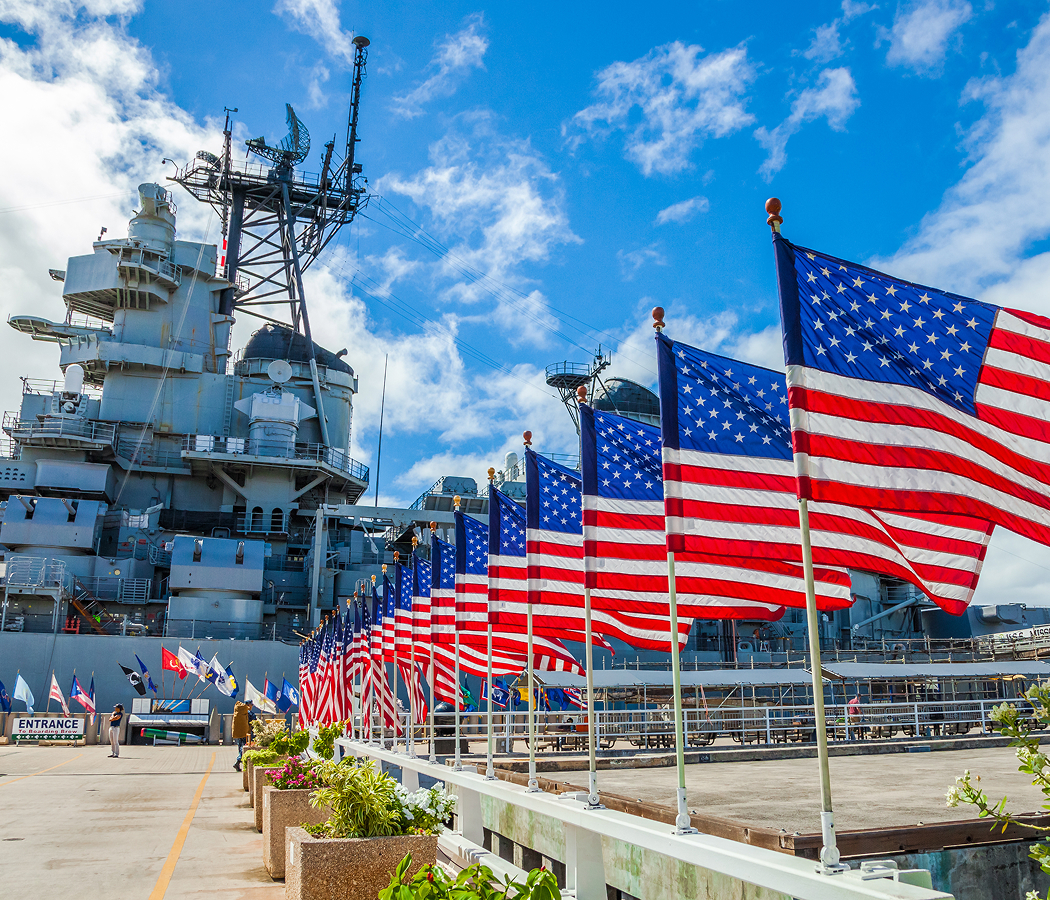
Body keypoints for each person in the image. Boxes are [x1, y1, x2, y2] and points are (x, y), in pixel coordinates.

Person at [232, 699, 255, 771]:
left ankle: (239, 764)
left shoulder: (240, 712)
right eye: (251, 705)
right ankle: (238, 761)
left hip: (239, 733)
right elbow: (253, 722)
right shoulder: (249, 713)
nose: (252, 706)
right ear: (248, 705)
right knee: (244, 748)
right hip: (246, 733)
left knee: (240, 748)